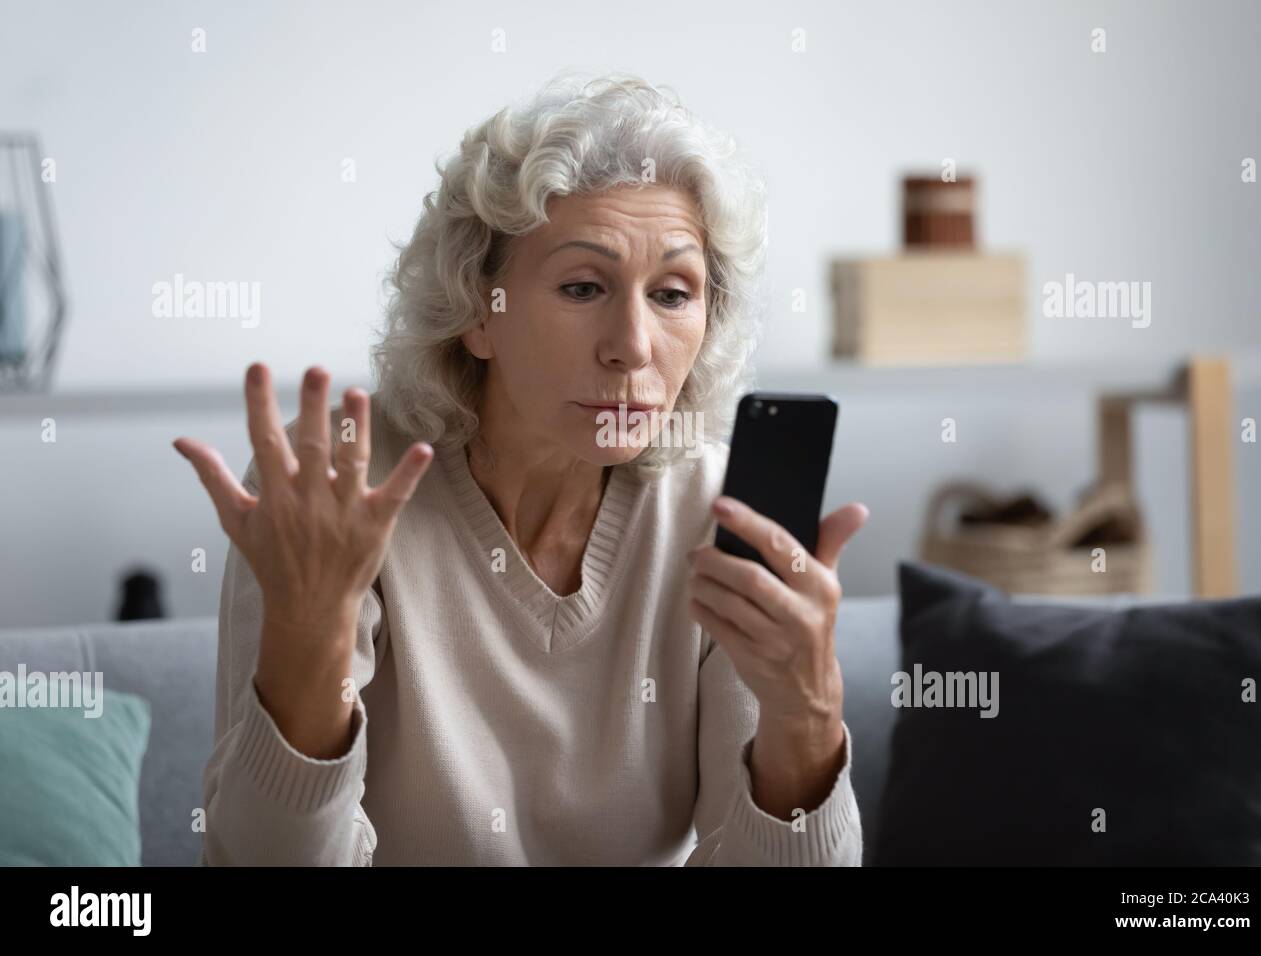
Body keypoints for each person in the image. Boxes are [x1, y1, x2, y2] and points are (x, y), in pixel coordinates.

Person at [175, 71, 868, 866]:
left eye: (673, 293)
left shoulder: (717, 513)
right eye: (583, 286)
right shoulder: (339, 498)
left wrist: (807, 716)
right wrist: (307, 636)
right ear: (477, 312)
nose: (634, 346)